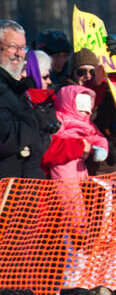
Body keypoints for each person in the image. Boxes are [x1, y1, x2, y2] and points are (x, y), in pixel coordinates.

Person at [0, 18, 59, 180]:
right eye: (12, 47)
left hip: (25, 193)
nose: (19, 53)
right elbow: (7, 137)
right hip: (7, 193)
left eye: (22, 48)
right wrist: (37, 120)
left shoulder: (15, 89)